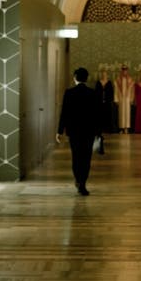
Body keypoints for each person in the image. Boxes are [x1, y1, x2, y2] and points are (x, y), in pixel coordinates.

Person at [56, 67, 100, 195]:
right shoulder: (92, 93)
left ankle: (78, 179)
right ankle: (83, 183)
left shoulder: (69, 93)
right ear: (87, 78)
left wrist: (59, 131)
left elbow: (64, 113)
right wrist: (98, 132)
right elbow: (97, 114)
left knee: (76, 156)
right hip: (89, 131)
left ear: (74, 77)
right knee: (86, 157)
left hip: (74, 131)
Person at [114, 64, 135, 133]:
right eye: (123, 70)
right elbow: (116, 90)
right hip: (121, 98)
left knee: (127, 113)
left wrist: (132, 99)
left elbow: (132, 90)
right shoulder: (118, 79)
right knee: (121, 113)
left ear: (127, 71)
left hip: (127, 99)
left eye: (125, 70)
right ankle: (121, 128)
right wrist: (116, 99)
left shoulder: (130, 79)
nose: (124, 71)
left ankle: (126, 128)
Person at [95, 69, 116, 134]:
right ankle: (100, 129)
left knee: (108, 115)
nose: (104, 75)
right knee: (100, 116)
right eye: (102, 74)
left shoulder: (109, 83)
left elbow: (111, 92)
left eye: (105, 74)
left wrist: (111, 100)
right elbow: (96, 92)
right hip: (100, 102)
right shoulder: (98, 83)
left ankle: (108, 129)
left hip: (107, 102)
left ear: (107, 75)